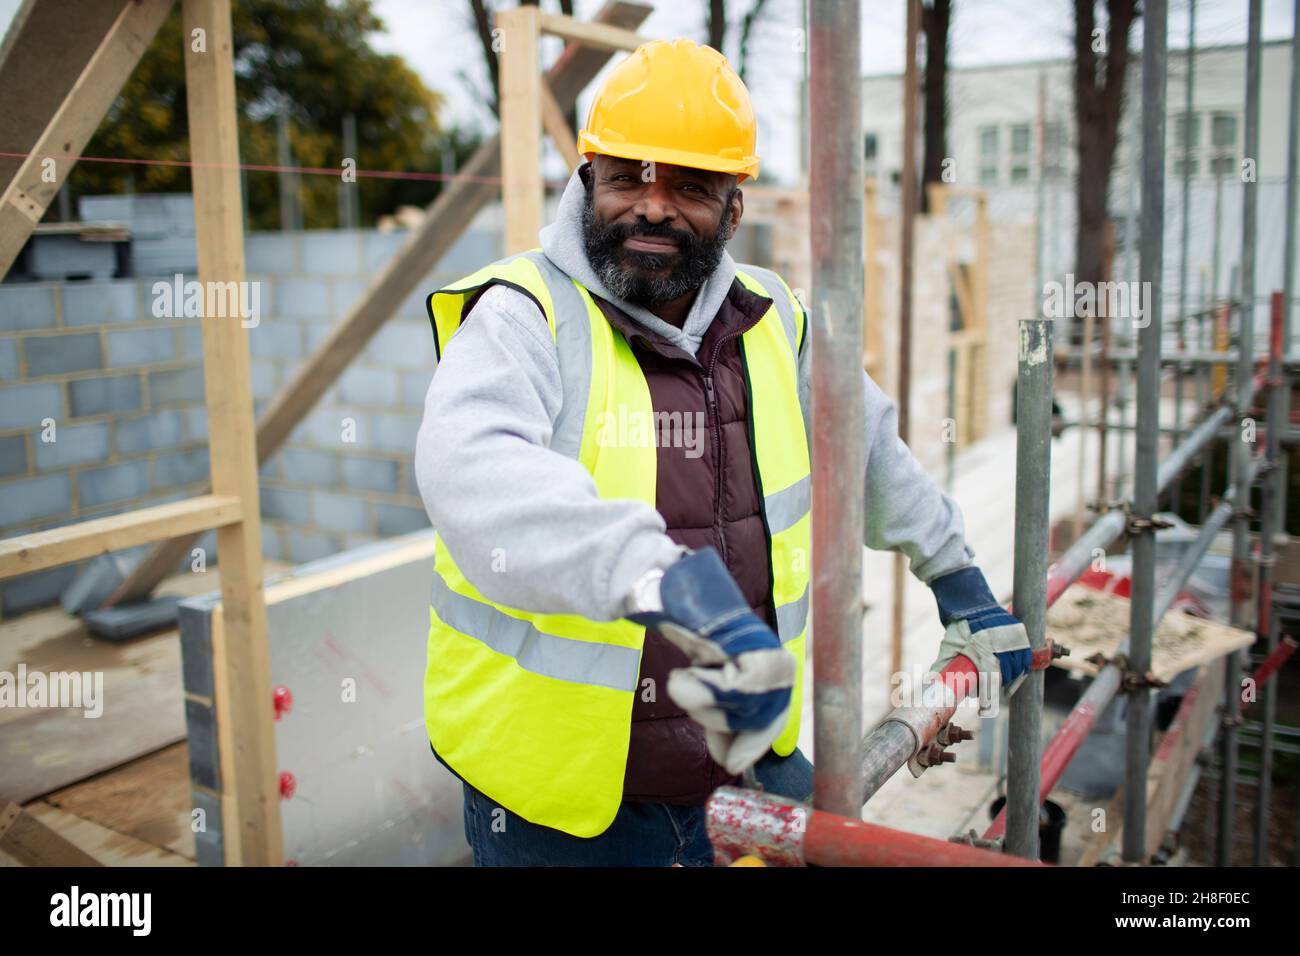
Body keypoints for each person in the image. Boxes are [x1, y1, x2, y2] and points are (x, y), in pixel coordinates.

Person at [414, 38, 1030, 867]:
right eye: (627, 175)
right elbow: (478, 482)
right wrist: (669, 583)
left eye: (690, 185)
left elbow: (868, 450)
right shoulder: (524, 317)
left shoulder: (777, 319)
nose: (652, 205)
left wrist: (960, 583)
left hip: (746, 771)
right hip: (562, 811)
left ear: (734, 209)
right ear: (587, 180)